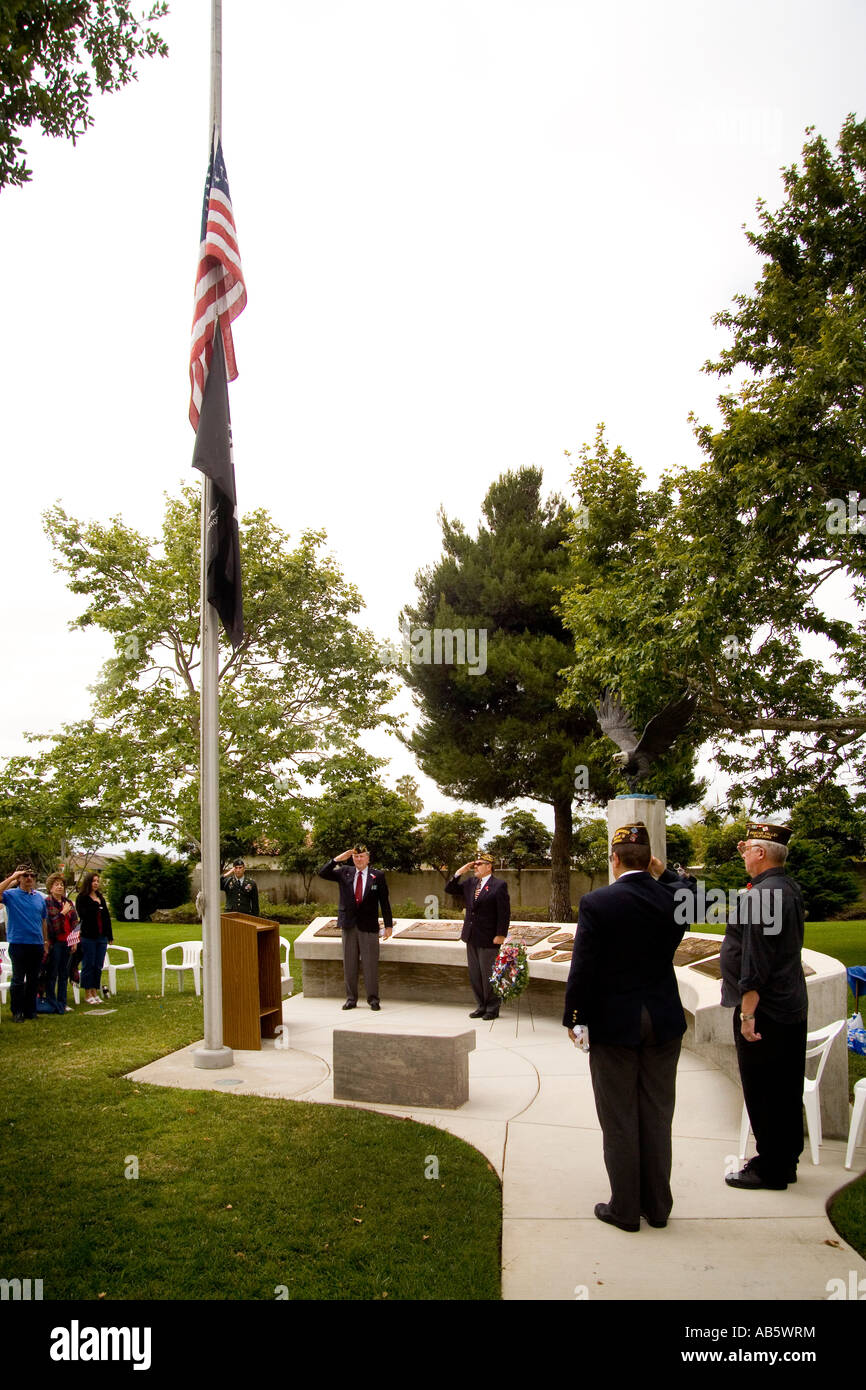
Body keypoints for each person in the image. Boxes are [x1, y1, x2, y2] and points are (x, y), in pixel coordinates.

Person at [562, 822, 687, 1232]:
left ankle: (624, 1209)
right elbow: (699, 899)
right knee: (656, 1115)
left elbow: (583, 968)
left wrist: (576, 1018)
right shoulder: (674, 898)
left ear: (614, 860)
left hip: (616, 1022)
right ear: (648, 860)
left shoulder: (598, 902)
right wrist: (663, 873)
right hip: (664, 1019)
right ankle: (657, 1206)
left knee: (619, 1116)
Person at [722, 821, 807, 1191]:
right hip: (789, 1007)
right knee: (786, 1088)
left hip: (766, 1013)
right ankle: (784, 1159)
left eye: (747, 851)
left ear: (760, 854)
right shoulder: (785, 888)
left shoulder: (760, 898)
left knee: (764, 1089)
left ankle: (770, 1168)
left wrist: (747, 1014)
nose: (744, 856)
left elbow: (755, 965)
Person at [317, 845, 393, 1010]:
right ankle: (351, 999)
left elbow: (384, 902)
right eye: (356, 857)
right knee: (349, 963)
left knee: (370, 964)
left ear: (368, 858)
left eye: (362, 857)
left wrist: (388, 925)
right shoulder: (344, 871)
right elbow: (322, 873)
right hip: (349, 925)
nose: (359, 860)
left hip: (369, 926)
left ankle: (373, 999)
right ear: (352, 859)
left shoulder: (377, 876)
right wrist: (337, 859)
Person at [445, 852, 510, 1022]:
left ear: (489, 866)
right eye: (475, 864)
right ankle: (481, 1005)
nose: (476, 866)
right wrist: (459, 872)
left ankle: (492, 1007)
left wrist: (501, 934)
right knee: (475, 974)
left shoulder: (499, 885)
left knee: (489, 973)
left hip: (489, 937)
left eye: (479, 864)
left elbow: (504, 912)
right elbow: (450, 889)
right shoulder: (471, 883)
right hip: (471, 935)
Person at [0, 864, 49, 1021]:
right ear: (20, 878)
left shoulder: (39, 898)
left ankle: (31, 1010)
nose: (29, 879)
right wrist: (13, 877)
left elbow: (43, 921)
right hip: (18, 943)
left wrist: (45, 940)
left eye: (32, 876)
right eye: (25, 876)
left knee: (33, 979)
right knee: (18, 979)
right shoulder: (11, 895)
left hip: (36, 944)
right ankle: (17, 1011)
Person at [75, 871, 113, 1005]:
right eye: (93, 881)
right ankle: (87, 992)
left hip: (101, 936)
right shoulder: (82, 898)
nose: (96, 883)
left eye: (97, 881)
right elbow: (84, 915)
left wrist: (109, 935)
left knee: (98, 965)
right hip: (88, 936)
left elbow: (106, 917)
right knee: (88, 964)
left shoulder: (100, 897)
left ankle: (95, 990)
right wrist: (96, 905)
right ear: (88, 882)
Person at [44, 872, 79, 1013]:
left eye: (61, 885)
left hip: (67, 942)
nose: (59, 887)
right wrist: (62, 913)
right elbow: (50, 925)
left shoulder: (69, 903)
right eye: (56, 885)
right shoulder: (47, 903)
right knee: (52, 974)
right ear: (50, 888)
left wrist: (74, 941)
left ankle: (62, 1002)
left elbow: (75, 923)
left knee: (64, 974)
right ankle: (52, 1002)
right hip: (54, 943)